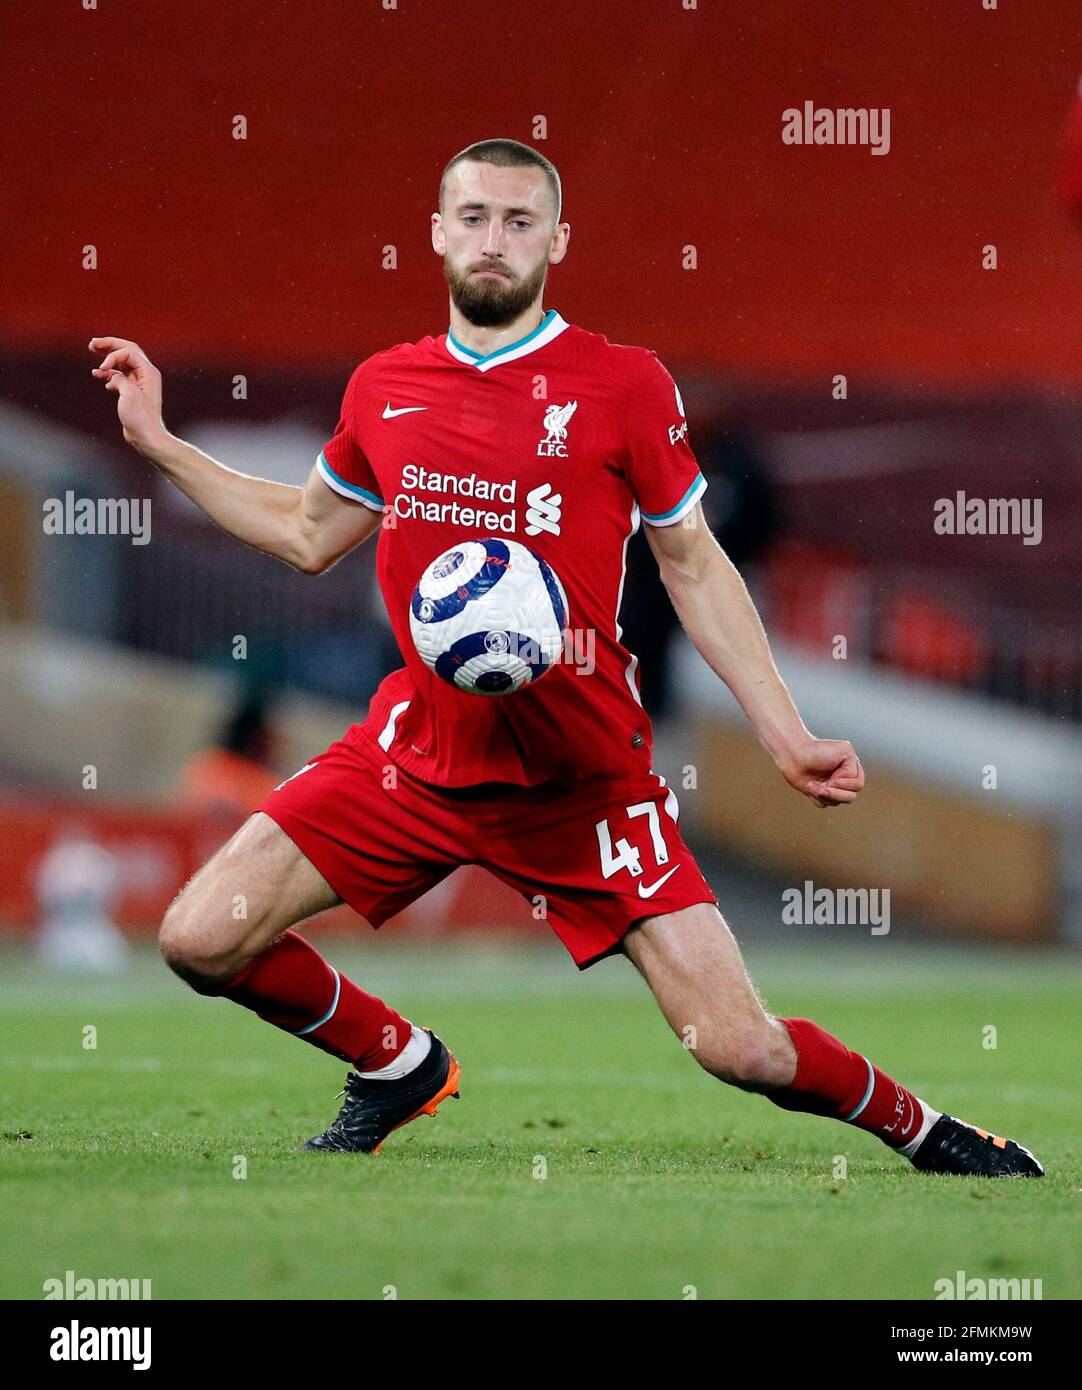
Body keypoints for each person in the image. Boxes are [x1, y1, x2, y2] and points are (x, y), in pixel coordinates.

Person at [89, 139, 1041, 1176]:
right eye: (474, 217)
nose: (492, 240)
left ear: (556, 240)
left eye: (518, 221)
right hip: (413, 759)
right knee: (199, 937)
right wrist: (163, 446)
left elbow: (694, 561)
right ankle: (394, 1059)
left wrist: (784, 731)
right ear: (436, 232)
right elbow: (306, 531)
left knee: (740, 1049)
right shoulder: (385, 386)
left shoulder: (620, 384)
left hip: (580, 780)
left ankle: (926, 1131)